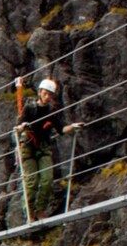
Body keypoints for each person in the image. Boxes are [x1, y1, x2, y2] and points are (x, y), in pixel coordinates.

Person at [16, 75, 81, 220]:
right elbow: (19, 126)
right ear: (40, 92)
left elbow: (61, 129)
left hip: (43, 147)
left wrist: (73, 127)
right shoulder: (30, 108)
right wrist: (23, 126)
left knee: (47, 180)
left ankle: (40, 210)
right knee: (31, 181)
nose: (47, 97)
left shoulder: (51, 111)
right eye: (45, 93)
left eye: (49, 94)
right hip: (27, 146)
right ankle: (30, 212)